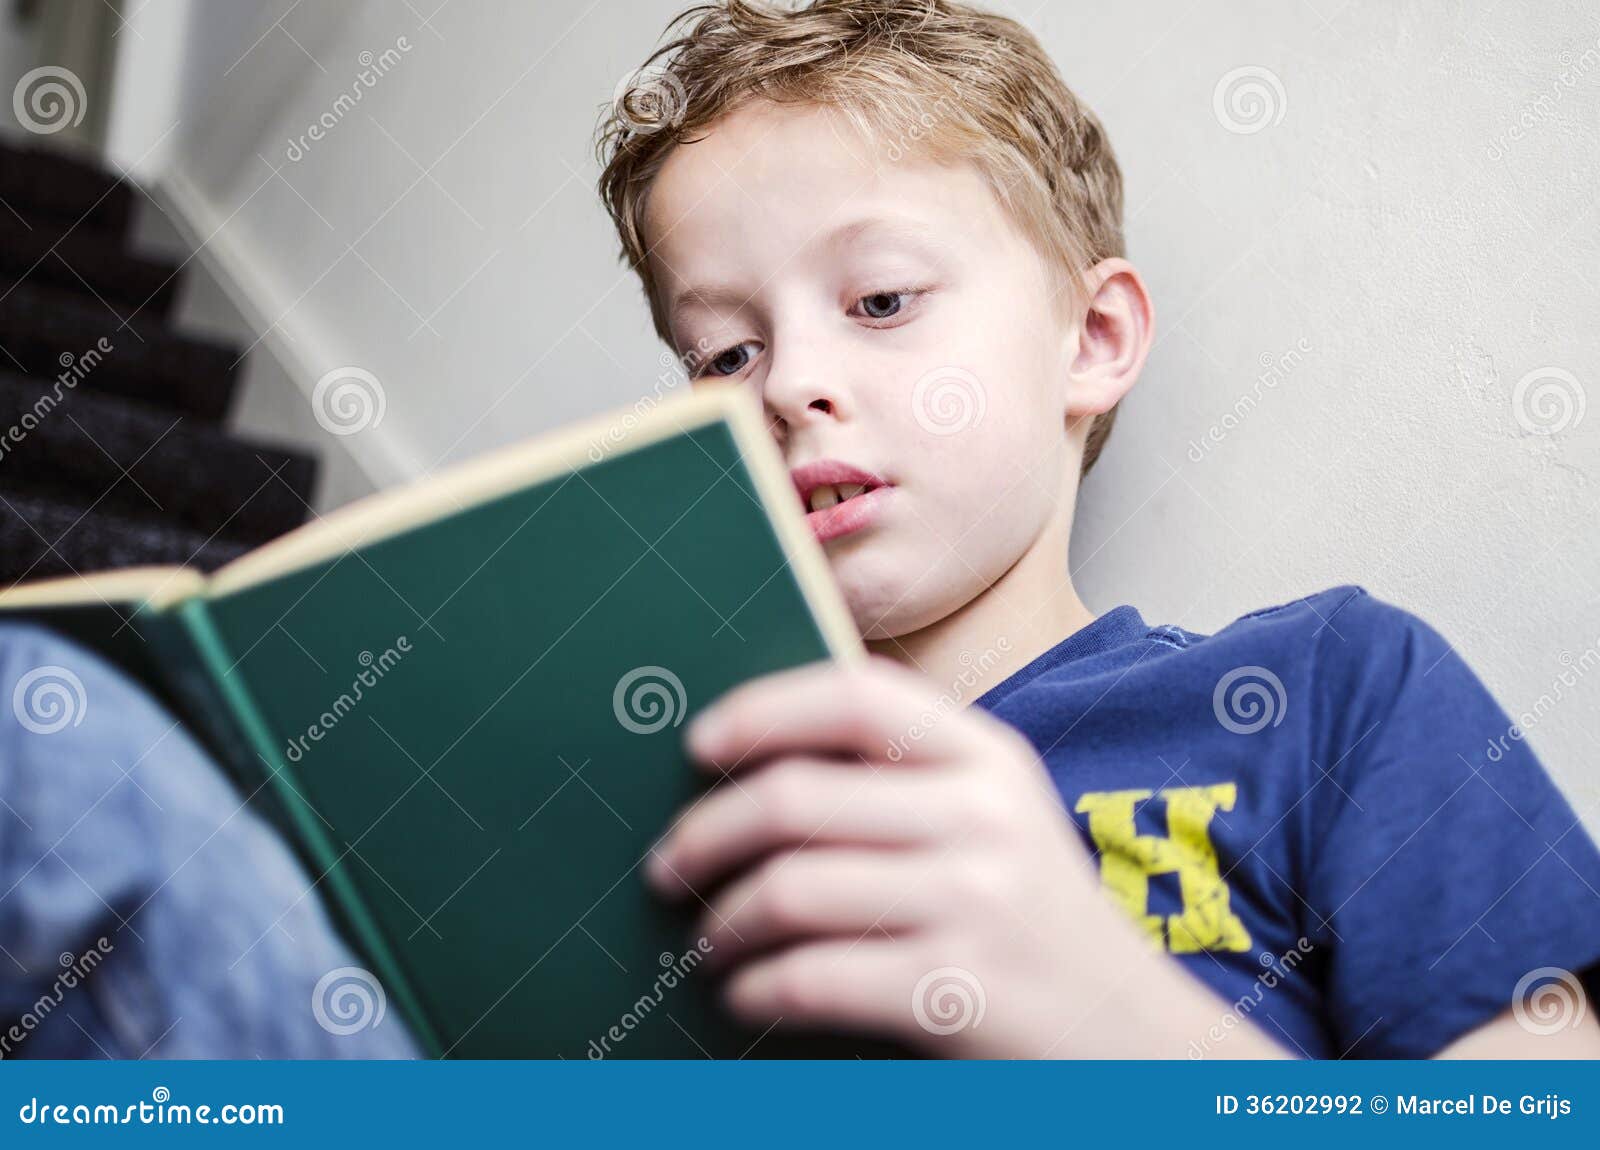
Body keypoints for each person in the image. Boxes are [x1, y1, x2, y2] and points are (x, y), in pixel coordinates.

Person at [594, 0, 1600, 1057]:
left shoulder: (1328, 693)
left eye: (881, 299)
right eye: (722, 355)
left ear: (1093, 338)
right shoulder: (678, 803)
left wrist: (1111, 1023)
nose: (790, 383)